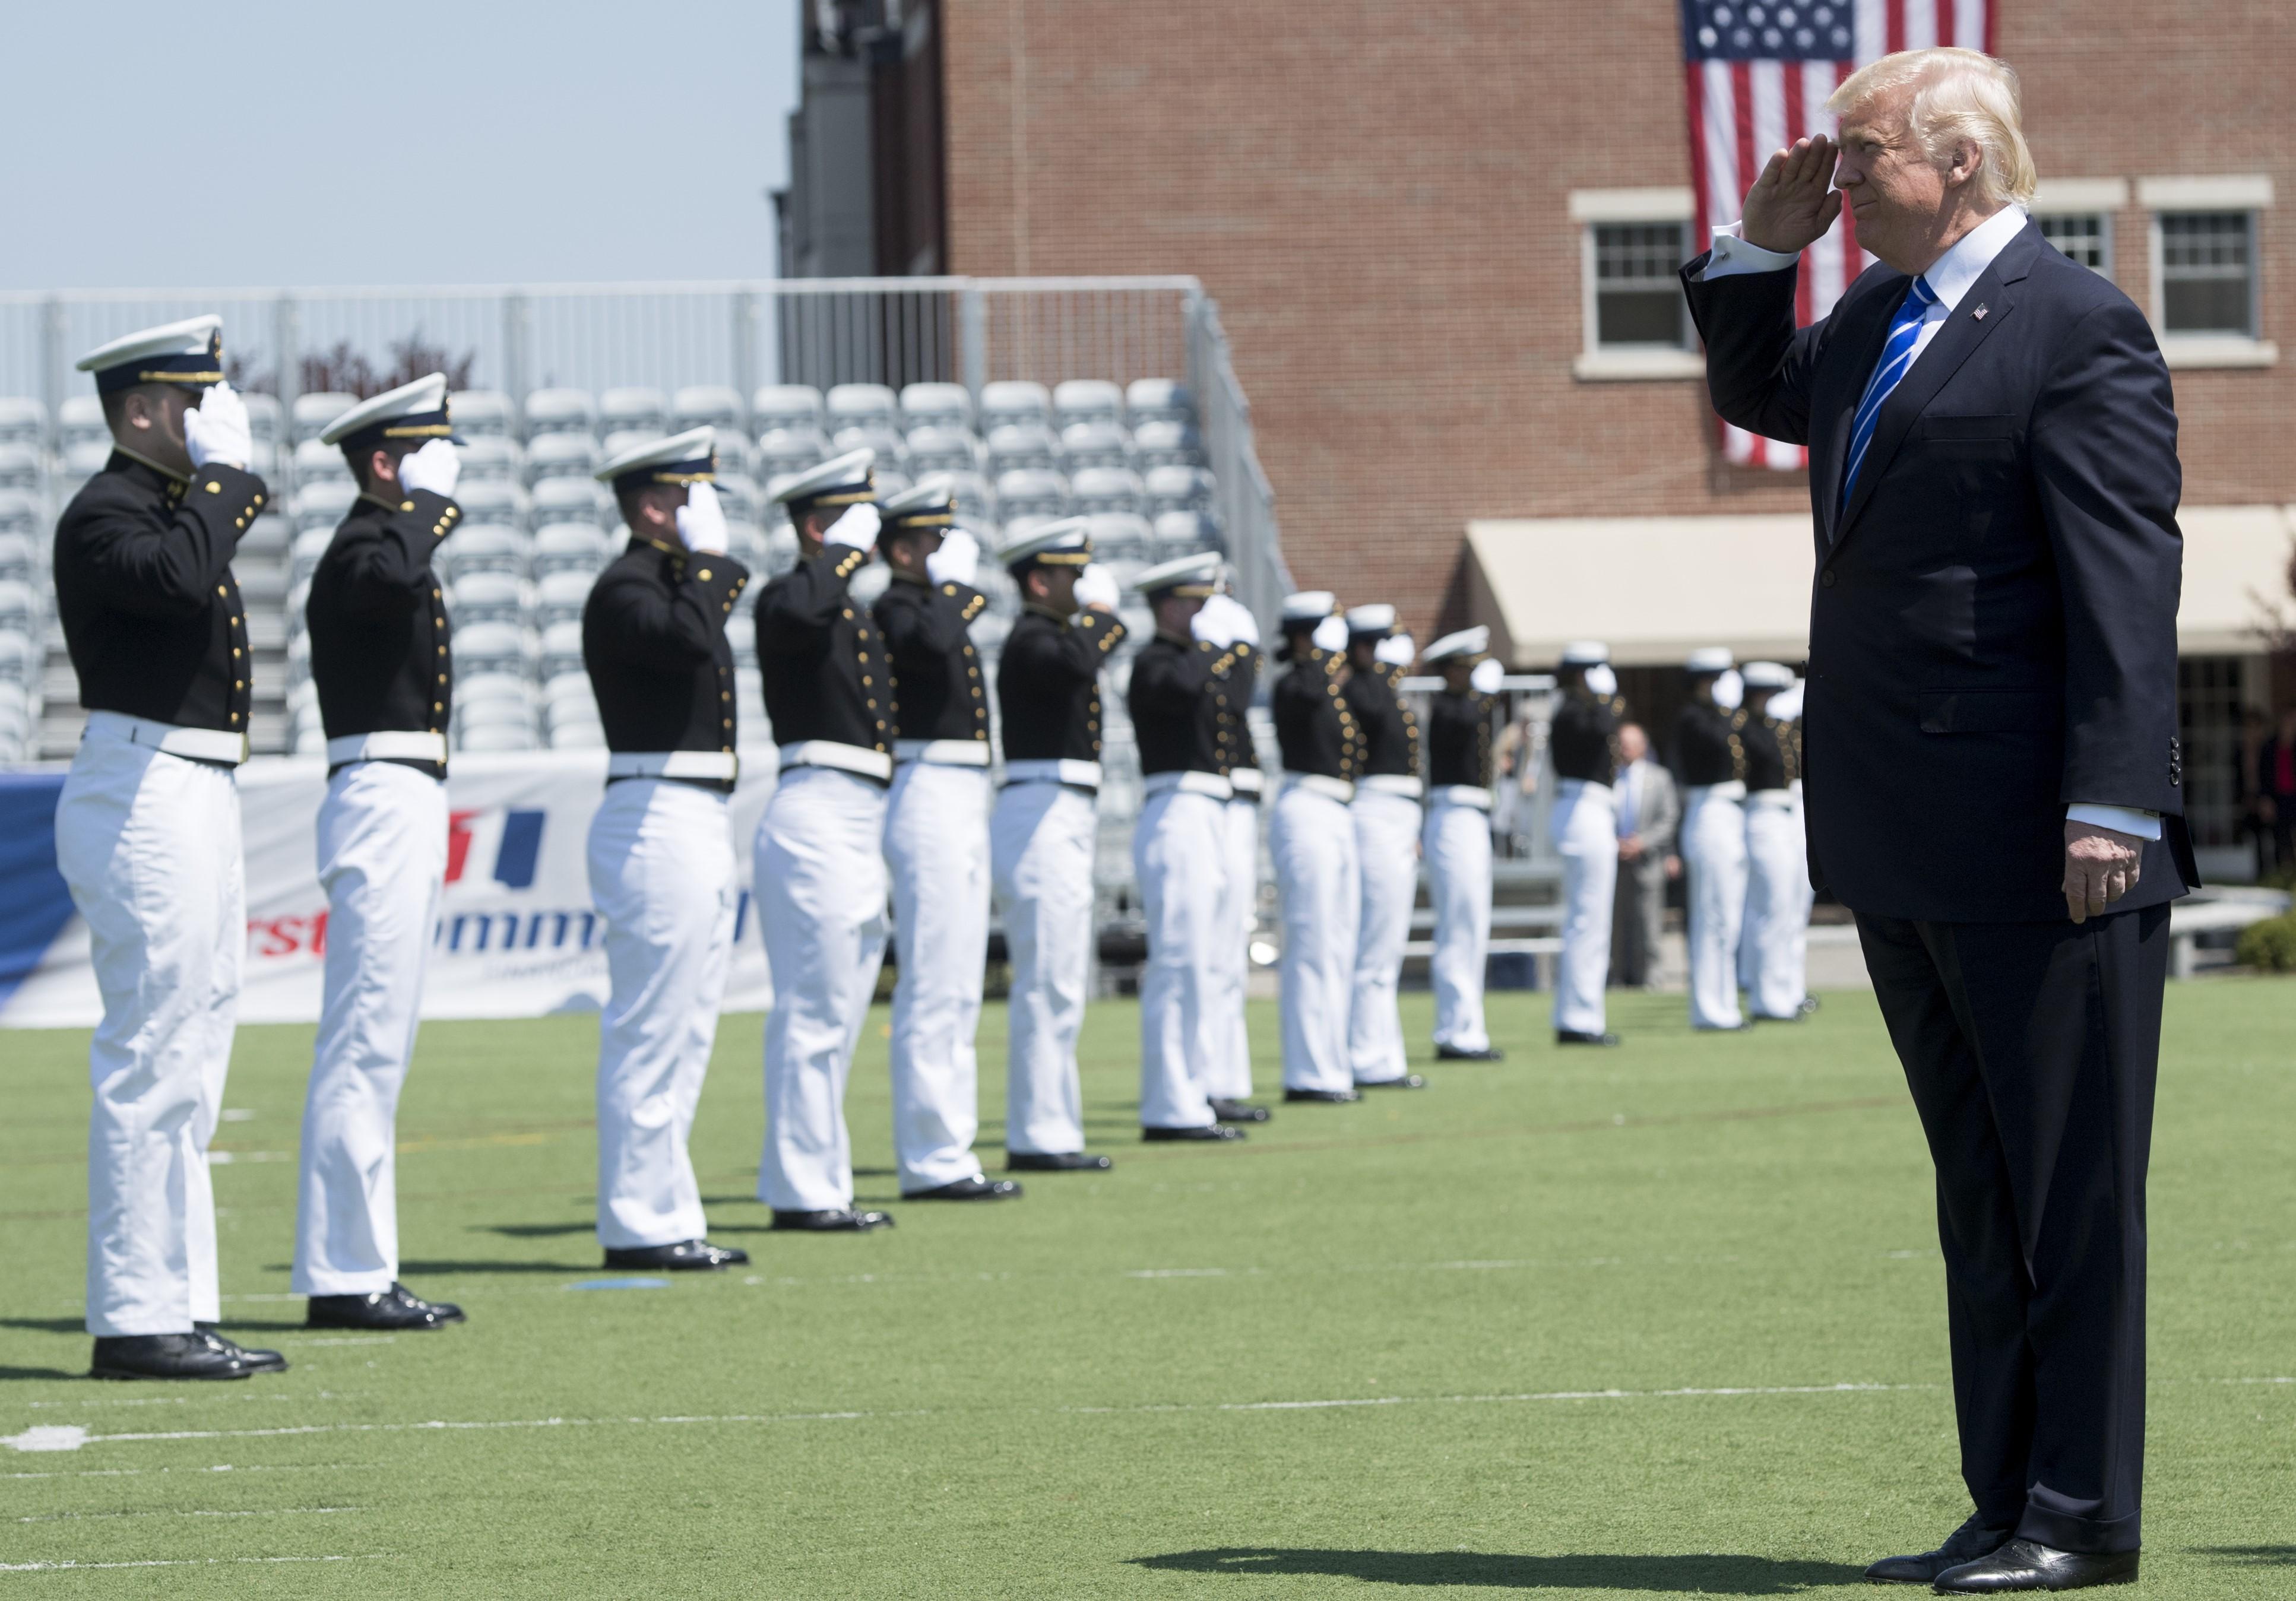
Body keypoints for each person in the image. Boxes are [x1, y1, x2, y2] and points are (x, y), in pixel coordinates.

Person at [1684, 47, 2195, 1591]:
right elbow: (1762, 393)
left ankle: (2079, 1518)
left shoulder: (2074, 327)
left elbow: (2124, 582)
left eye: (1857, 157)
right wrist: (1761, 252)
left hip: (2042, 836)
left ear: (1957, 161)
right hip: (1905, 826)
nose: (1835, 184)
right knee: (1978, 1195)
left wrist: (2112, 795)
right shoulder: (1869, 322)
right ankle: (2004, 1500)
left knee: (2067, 1196)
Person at [52, 316, 286, 1380]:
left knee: (195, 1054)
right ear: (142, 409)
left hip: (192, 782)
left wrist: (214, 486)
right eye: (196, 401)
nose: (213, 417)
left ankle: (178, 1300)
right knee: (154, 1055)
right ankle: (137, 1315)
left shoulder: (166, 506)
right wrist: (229, 480)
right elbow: (183, 580)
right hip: (144, 785)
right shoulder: (106, 513)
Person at [295, 375, 470, 1326]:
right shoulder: (367, 547)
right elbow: (391, 577)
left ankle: (361, 1261)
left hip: (404, 789)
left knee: (382, 1040)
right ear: (383, 462)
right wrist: (427, 503)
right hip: (377, 789)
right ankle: (343, 1272)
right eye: (426, 453)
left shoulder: (386, 544)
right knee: (364, 1038)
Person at [580, 428, 753, 1270]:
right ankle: (638, 1219)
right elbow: (685, 639)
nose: (703, 512)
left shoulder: (674, 585)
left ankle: (663, 1210)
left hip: (695, 811)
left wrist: (705, 568)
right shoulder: (626, 587)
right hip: (655, 812)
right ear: (654, 505)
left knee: (686, 1029)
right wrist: (714, 561)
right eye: (691, 495)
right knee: (651, 1028)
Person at [753, 448, 897, 1231]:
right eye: (848, 517)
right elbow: (797, 611)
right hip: (814, 805)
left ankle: (819, 1178)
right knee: (812, 1008)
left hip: (859, 811)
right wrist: (839, 551)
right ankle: (802, 1188)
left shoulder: (850, 607)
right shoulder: (792, 595)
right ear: (818, 526)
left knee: (840, 1007)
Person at [872, 478, 1019, 1203]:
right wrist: (953, 589)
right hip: (926, 784)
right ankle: (931, 1156)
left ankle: (950, 1148)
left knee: (959, 981)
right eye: (934, 540)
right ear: (904, 550)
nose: (945, 550)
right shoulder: (899, 609)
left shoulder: (927, 606)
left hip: (960, 787)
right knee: (934, 979)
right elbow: (933, 643)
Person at [989, 517, 1124, 1171]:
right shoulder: (1033, 639)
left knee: (1062, 979)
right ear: (1041, 580)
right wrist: (1102, 615)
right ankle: (1040, 1133)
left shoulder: (1050, 636)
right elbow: (1077, 662)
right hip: (1040, 807)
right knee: (1047, 979)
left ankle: (1052, 1125)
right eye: (1073, 574)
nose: (1084, 584)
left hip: (1062, 806)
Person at [1126, 551, 1252, 1142]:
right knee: (1178, 965)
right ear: (1169, 606)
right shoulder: (1155, 662)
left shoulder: (1197, 661)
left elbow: (1235, 703)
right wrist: (1208, 649)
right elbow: (1177, 691)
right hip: (1176, 810)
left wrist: (1231, 653)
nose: (1206, 614)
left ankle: (1197, 1089)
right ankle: (1171, 1104)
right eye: (1196, 603)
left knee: (1205, 963)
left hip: (1209, 811)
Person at [1268, 592, 1362, 1102]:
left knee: (1336, 942)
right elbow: (1304, 690)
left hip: (1337, 810)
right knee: (1311, 943)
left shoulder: (1327, 685)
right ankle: (1307, 1071)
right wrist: (1313, 657)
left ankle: (1331, 1063)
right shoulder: (1297, 683)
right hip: (1306, 807)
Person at [1339, 604, 1427, 1089]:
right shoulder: (1362, 690)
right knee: (1374, 944)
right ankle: (1367, 1056)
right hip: (1373, 812)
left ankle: (1382, 1054)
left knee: (1387, 945)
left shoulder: (1383, 690)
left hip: (1396, 813)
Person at [1421, 627, 1506, 1060]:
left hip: (1472, 815)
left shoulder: (1464, 706)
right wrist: (1483, 696)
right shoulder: (1449, 707)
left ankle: (1467, 1026)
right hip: (1452, 816)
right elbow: (1470, 719)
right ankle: (1455, 1031)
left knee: (1473, 925)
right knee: (1458, 926)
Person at [1205, 575, 1270, 1124]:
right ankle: (1206, 1080)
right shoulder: (1194, 670)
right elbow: (1233, 696)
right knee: (1210, 949)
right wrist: (1237, 653)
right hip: (1215, 805)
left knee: (1229, 950)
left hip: (1234, 801)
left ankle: (1223, 1078)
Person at [1547, 641, 1626, 1045]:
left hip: (1590, 808)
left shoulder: (1580, 708)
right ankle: (1579, 1018)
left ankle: (1578, 1013)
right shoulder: (1574, 710)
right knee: (1587, 921)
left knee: (1590, 921)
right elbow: (1600, 729)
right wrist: (1604, 698)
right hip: (1582, 809)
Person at [1674, 648, 1751, 1030]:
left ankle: (1725, 1005)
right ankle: (1707, 1008)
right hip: (1708, 812)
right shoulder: (1693, 718)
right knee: (1711, 916)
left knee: (1728, 917)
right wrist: (1731, 711)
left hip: (1730, 812)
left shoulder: (1720, 717)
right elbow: (1719, 742)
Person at [1736, 662, 1814, 1022]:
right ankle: (1766, 997)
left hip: (1782, 815)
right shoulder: (1745, 729)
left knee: (1785, 907)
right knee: (1771, 908)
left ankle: (1782, 990)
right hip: (1762, 814)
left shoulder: (1773, 729)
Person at [1608, 721, 1680, 992]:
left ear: (1642, 746)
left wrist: (1642, 842)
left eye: (1629, 743)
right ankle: (1617, 977)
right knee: (1616, 924)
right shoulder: (1610, 777)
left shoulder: (1659, 778)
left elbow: (1668, 819)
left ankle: (1650, 978)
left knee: (1648, 925)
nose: (1624, 749)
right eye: (1621, 743)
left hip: (1648, 861)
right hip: (1615, 861)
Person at [2258, 708, 2296, 876]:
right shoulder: (2269, 747)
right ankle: (2282, 874)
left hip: (2294, 797)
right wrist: (2265, 799)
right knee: (2281, 838)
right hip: (2278, 798)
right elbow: (2263, 775)